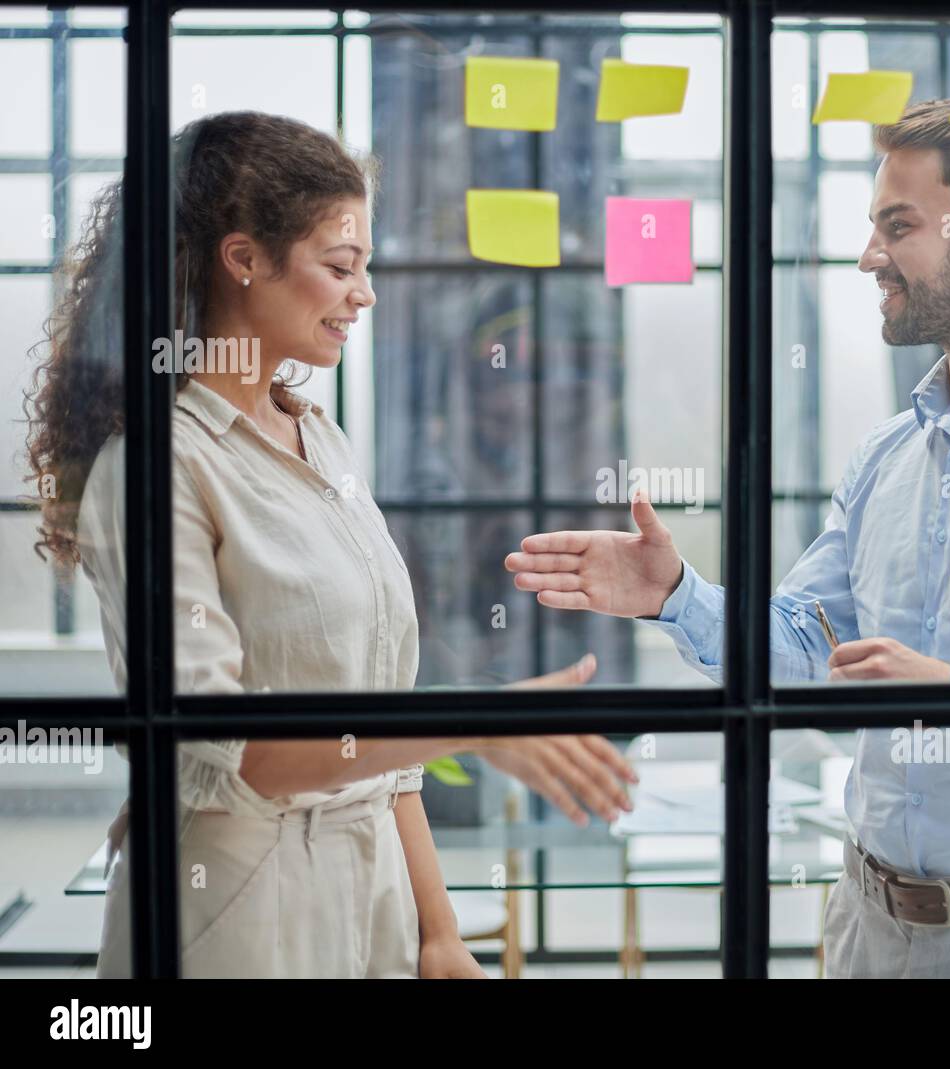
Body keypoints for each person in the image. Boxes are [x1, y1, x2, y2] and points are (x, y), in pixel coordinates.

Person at [504, 98, 950, 978]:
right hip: (867, 927)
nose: (869, 257)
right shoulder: (887, 456)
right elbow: (812, 648)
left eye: (899, 227)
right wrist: (676, 597)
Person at [23, 111, 637, 979]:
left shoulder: (323, 437)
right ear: (244, 259)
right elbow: (241, 750)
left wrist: (438, 932)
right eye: (341, 266)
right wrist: (471, 725)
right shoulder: (158, 466)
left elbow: (382, 718)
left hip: (372, 902)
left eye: (368, 267)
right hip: (237, 915)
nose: (366, 293)